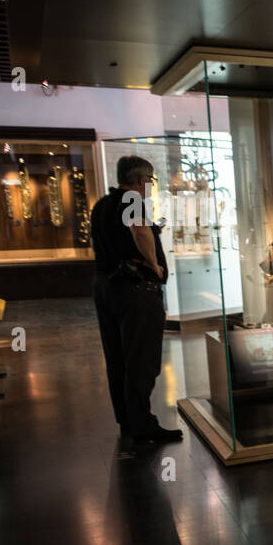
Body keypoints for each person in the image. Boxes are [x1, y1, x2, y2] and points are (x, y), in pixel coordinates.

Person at [90, 155, 182, 446]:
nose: (151, 186)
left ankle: (127, 418)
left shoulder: (103, 204)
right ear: (142, 180)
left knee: (117, 357)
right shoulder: (132, 199)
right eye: (151, 180)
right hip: (134, 290)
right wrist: (153, 264)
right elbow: (140, 231)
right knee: (141, 359)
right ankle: (143, 424)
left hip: (106, 286)